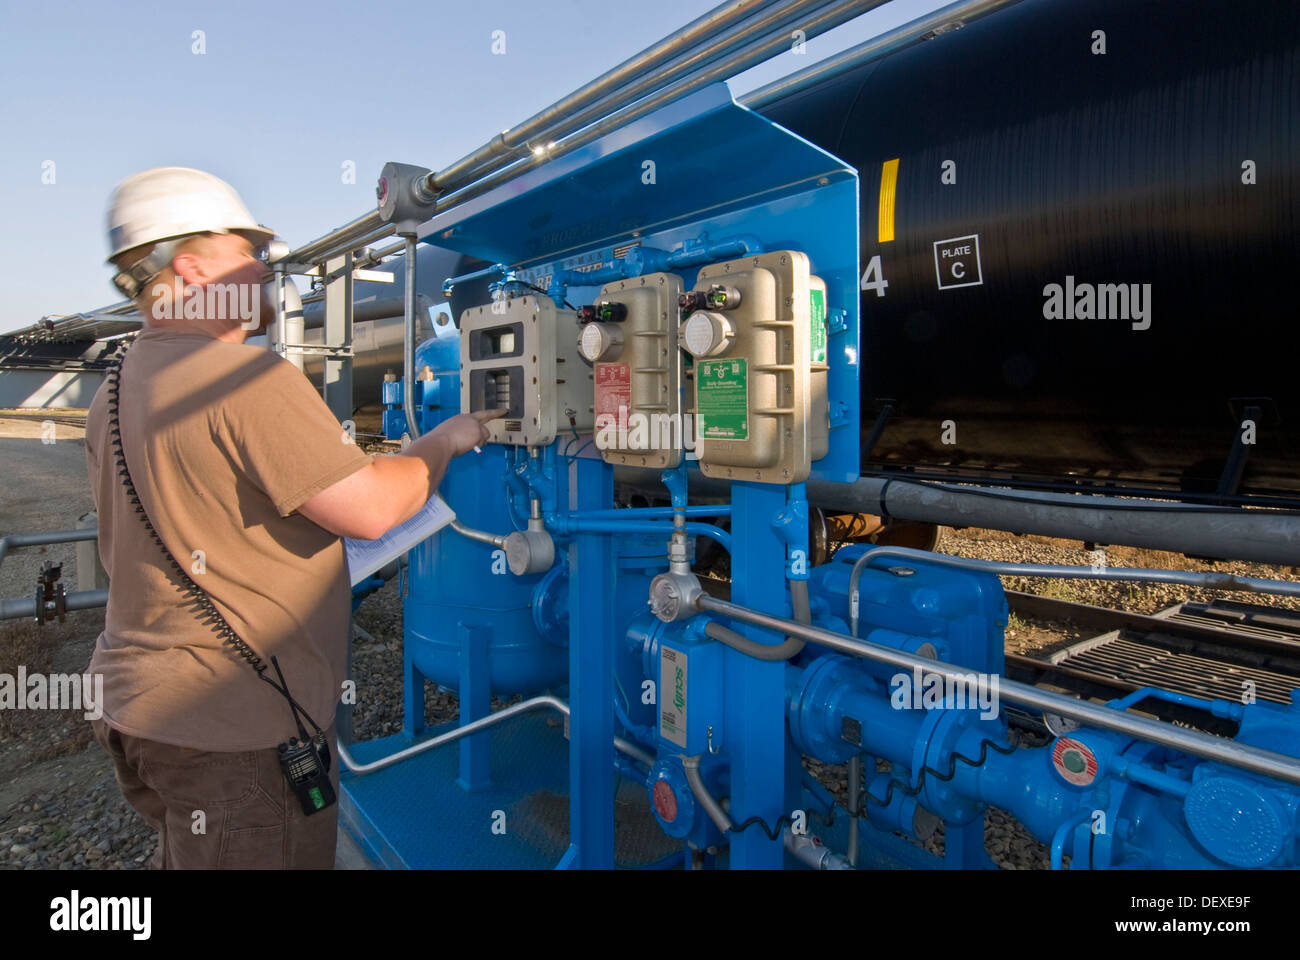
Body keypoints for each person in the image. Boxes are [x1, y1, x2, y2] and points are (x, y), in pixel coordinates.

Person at [85, 166, 500, 869]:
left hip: (141, 710)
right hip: (233, 732)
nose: (267, 269)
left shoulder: (115, 387)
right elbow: (372, 509)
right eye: (249, 252)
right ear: (192, 267)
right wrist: (448, 439)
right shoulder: (242, 376)